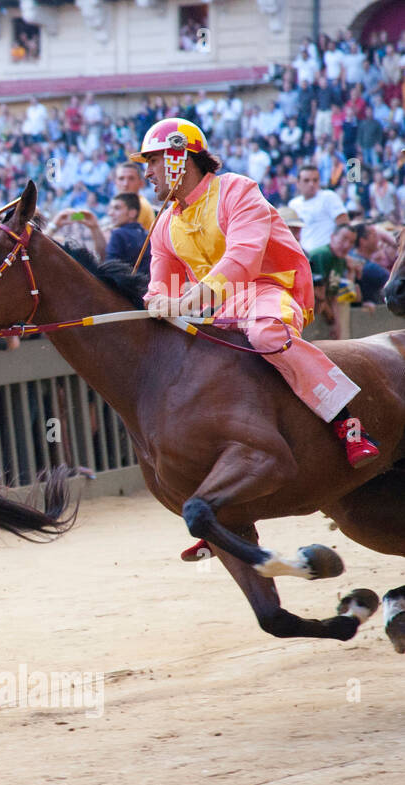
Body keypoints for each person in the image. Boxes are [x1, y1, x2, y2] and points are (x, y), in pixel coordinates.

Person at [130, 116, 378, 562]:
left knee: (264, 334)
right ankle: (218, 504)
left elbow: (244, 258)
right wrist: (155, 304)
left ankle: (348, 423)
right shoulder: (166, 223)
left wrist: (194, 295)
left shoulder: (237, 190)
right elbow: (158, 286)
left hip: (271, 290)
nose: (144, 173)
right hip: (222, 306)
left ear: (177, 158)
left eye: (150, 162)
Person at [289, 165, 350, 253]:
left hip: (326, 254)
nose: (311, 184)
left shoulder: (328, 197)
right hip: (304, 255)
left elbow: (344, 225)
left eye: (315, 180)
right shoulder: (293, 204)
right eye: (306, 180)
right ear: (298, 183)